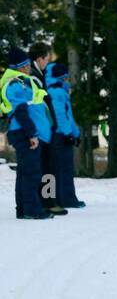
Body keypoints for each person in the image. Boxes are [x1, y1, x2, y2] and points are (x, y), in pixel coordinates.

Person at [2, 46, 54, 219]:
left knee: (25, 172)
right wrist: (32, 134)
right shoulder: (15, 84)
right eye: (25, 65)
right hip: (24, 132)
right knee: (32, 173)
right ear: (18, 67)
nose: (28, 67)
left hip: (24, 131)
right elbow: (21, 111)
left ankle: (23, 209)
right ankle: (32, 210)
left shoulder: (21, 82)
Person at [43, 61, 85, 209]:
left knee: (65, 168)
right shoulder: (56, 92)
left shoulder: (60, 91)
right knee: (62, 169)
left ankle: (67, 198)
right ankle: (65, 199)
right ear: (60, 78)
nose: (68, 81)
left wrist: (76, 133)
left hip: (63, 134)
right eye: (65, 78)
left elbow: (69, 116)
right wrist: (68, 133)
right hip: (59, 136)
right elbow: (60, 115)